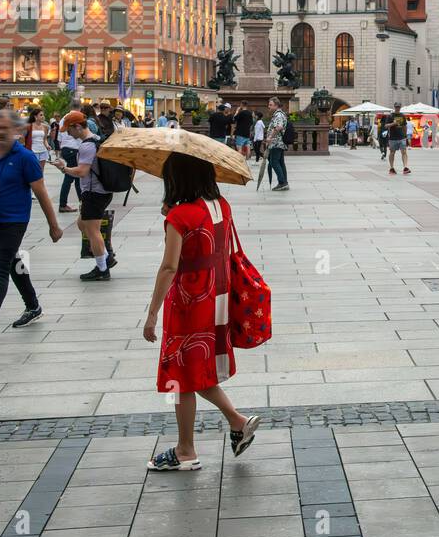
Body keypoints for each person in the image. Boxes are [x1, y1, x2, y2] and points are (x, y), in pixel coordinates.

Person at [143, 152, 260, 471]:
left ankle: (185, 450)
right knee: (195, 370)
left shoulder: (180, 217)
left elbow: (169, 266)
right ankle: (237, 421)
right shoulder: (222, 206)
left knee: (181, 376)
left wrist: (152, 312)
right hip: (216, 300)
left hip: (188, 303)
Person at [0, 108, 63, 342]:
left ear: (17, 131)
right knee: (12, 262)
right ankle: (33, 306)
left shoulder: (25, 158)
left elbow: (41, 192)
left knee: (0, 267)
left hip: (15, 220)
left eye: (5, 128)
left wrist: (54, 226)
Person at [56, 112, 116, 280]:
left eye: (69, 130)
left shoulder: (87, 146)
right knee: (82, 224)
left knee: (93, 231)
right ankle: (106, 257)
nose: (68, 134)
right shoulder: (97, 139)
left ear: (77, 127)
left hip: (93, 193)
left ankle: (102, 269)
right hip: (101, 191)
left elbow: (82, 172)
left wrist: (64, 168)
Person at [266, 97, 289, 191]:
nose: (269, 106)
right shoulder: (280, 114)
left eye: (271, 105)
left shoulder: (278, 115)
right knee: (280, 163)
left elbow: (279, 127)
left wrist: (270, 137)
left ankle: (282, 182)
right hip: (279, 142)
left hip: (276, 142)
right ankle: (284, 182)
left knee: (273, 162)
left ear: (276, 105)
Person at [383, 103, 411, 176]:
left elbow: (405, 126)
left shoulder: (402, 116)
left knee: (404, 151)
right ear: (394, 107)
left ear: (400, 107)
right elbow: (385, 126)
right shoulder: (390, 116)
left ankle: (405, 167)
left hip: (401, 137)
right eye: (396, 107)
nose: (397, 108)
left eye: (398, 107)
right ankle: (392, 168)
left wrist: (406, 136)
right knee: (392, 152)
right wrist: (393, 124)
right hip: (393, 137)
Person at [28, 110, 49, 179]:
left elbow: (45, 139)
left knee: (41, 170)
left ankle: (40, 185)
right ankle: (32, 185)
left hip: (43, 151)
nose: (43, 116)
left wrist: (47, 145)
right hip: (33, 151)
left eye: (43, 115)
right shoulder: (29, 126)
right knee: (33, 170)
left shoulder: (45, 127)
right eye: (41, 115)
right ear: (35, 116)